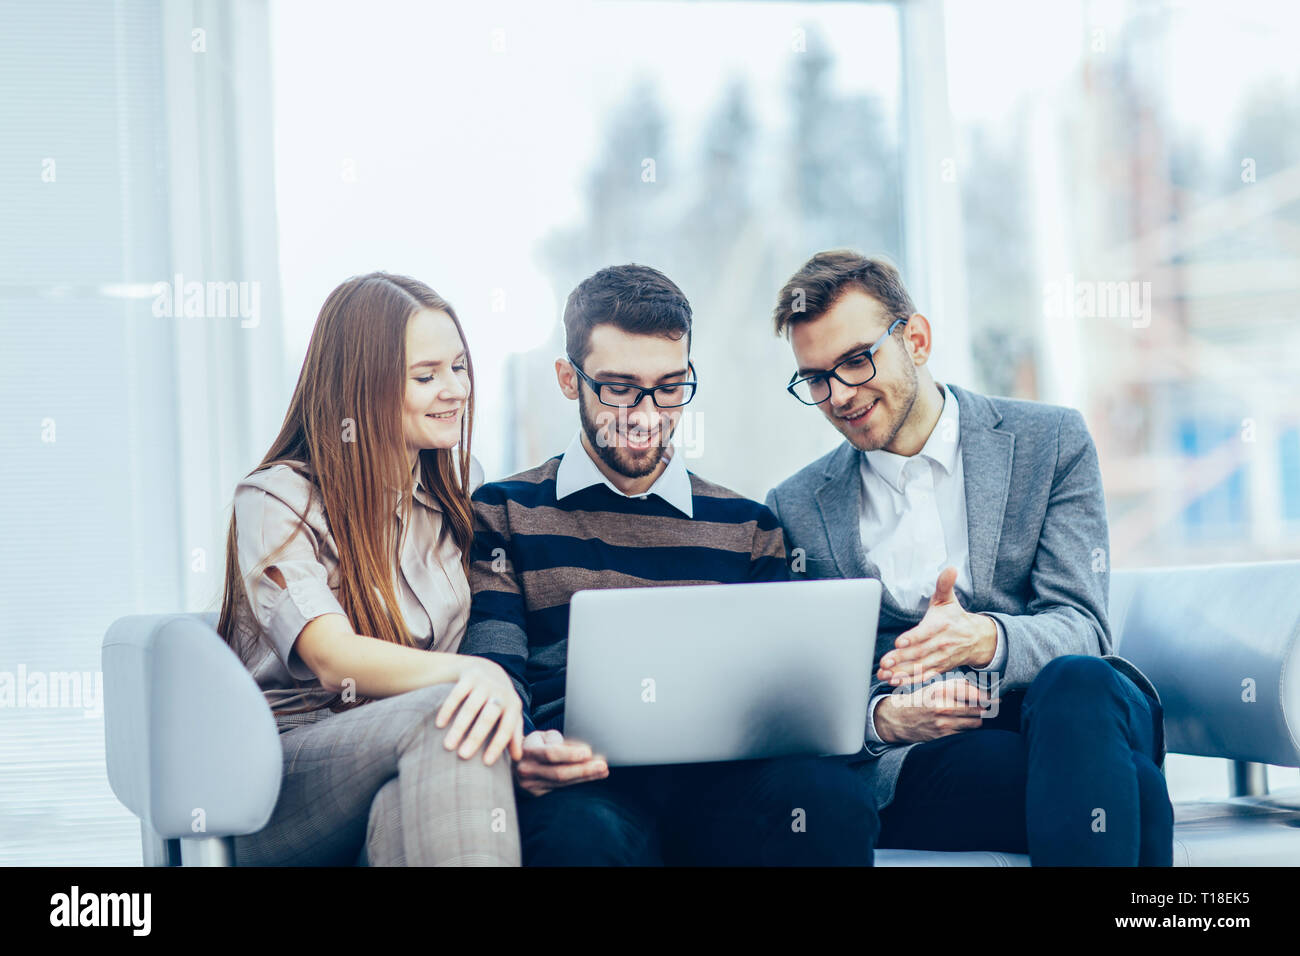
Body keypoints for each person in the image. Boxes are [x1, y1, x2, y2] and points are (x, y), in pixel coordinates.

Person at [461, 263, 879, 866]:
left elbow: (793, 696)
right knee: (580, 838)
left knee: (828, 799)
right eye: (619, 387)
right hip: (584, 789)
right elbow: (495, 671)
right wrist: (527, 748)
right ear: (566, 378)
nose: (646, 413)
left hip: (725, 786)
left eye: (669, 386)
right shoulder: (503, 512)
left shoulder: (748, 525)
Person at [764, 250, 1174, 865]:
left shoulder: (1051, 442)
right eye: (816, 378)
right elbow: (802, 690)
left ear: (917, 340)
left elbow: (1083, 629)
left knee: (1079, 682)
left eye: (856, 361)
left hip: (1067, 705)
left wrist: (984, 639)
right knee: (1133, 788)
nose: (839, 395)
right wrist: (885, 718)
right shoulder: (795, 506)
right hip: (934, 751)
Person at [217, 272, 524, 866]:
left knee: (412, 788)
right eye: (426, 376)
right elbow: (333, 659)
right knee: (452, 709)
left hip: (407, 756)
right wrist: (474, 674)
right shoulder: (275, 498)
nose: (455, 389)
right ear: (362, 387)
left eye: (459, 367)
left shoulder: (461, 492)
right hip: (285, 777)